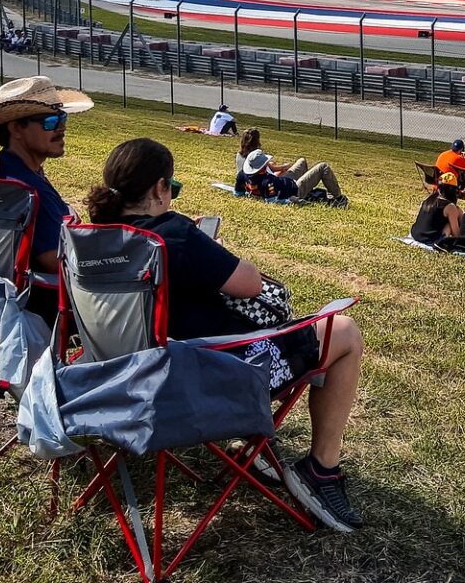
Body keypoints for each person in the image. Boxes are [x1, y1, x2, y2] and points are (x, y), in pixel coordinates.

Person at [84, 138, 365, 532]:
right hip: (199, 384)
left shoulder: (92, 238)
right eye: (172, 187)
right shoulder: (173, 234)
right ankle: (321, 469)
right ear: (159, 189)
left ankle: (254, 443)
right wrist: (211, 248)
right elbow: (249, 283)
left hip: (119, 379)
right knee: (343, 331)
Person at [0, 77, 93, 310]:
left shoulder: (1, 171)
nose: (61, 127)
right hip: (42, 300)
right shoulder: (26, 190)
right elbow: (54, 261)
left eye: (62, 117)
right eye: (50, 121)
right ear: (16, 128)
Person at [239, 149, 346, 206]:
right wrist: (293, 200)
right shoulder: (266, 181)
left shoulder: (244, 176)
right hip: (294, 190)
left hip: (284, 181)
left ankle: (308, 189)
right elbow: (272, 199)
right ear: (262, 167)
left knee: (302, 161)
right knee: (323, 167)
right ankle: (337, 198)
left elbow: (239, 192)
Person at [409, 170, 464, 248]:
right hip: (430, 239)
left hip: (415, 234)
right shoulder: (450, 207)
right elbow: (456, 234)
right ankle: (441, 242)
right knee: (448, 225)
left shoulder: (429, 199)